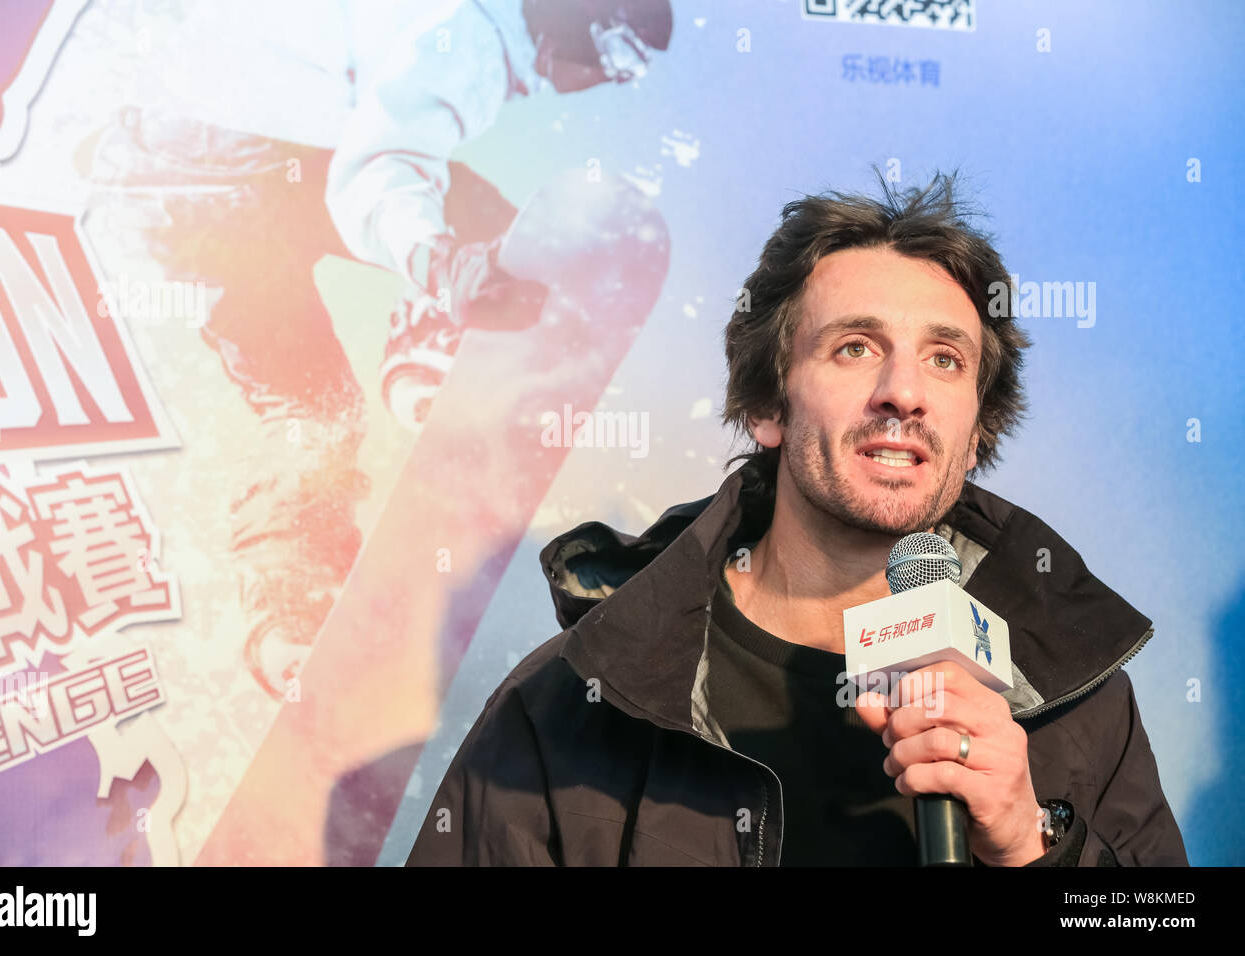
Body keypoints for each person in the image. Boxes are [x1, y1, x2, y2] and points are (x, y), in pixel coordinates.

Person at [403, 171, 1189, 866]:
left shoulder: (1081, 698)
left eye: (945, 359)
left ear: (978, 430)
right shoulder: (572, 700)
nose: (903, 392)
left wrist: (1035, 845)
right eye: (854, 347)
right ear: (765, 405)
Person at [83, 0, 672, 698]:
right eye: (612, 59)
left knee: (308, 414)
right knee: (478, 222)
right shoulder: (478, 33)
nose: (595, 80)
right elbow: (382, 163)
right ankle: (433, 344)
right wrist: (440, 266)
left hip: (160, 196)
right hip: (236, 161)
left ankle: (288, 624)